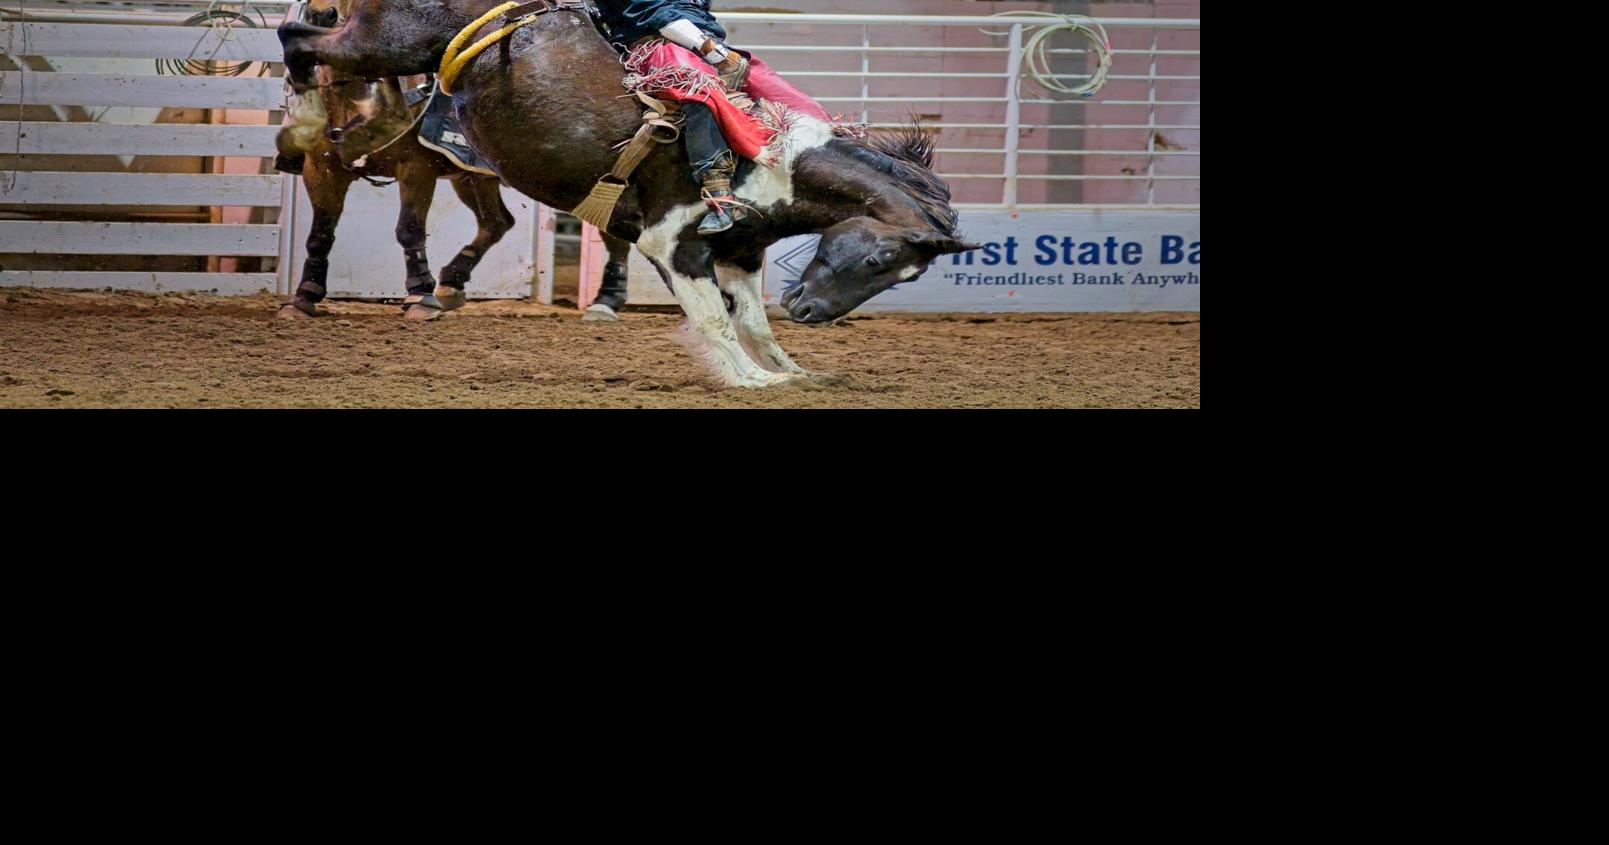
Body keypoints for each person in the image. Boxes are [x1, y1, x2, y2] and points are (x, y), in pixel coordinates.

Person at [595, 0, 833, 234]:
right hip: (657, 47)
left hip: (707, 46)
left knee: (796, 104)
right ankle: (720, 198)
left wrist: (716, 51)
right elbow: (653, 11)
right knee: (700, 91)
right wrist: (713, 52)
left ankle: (826, 173)